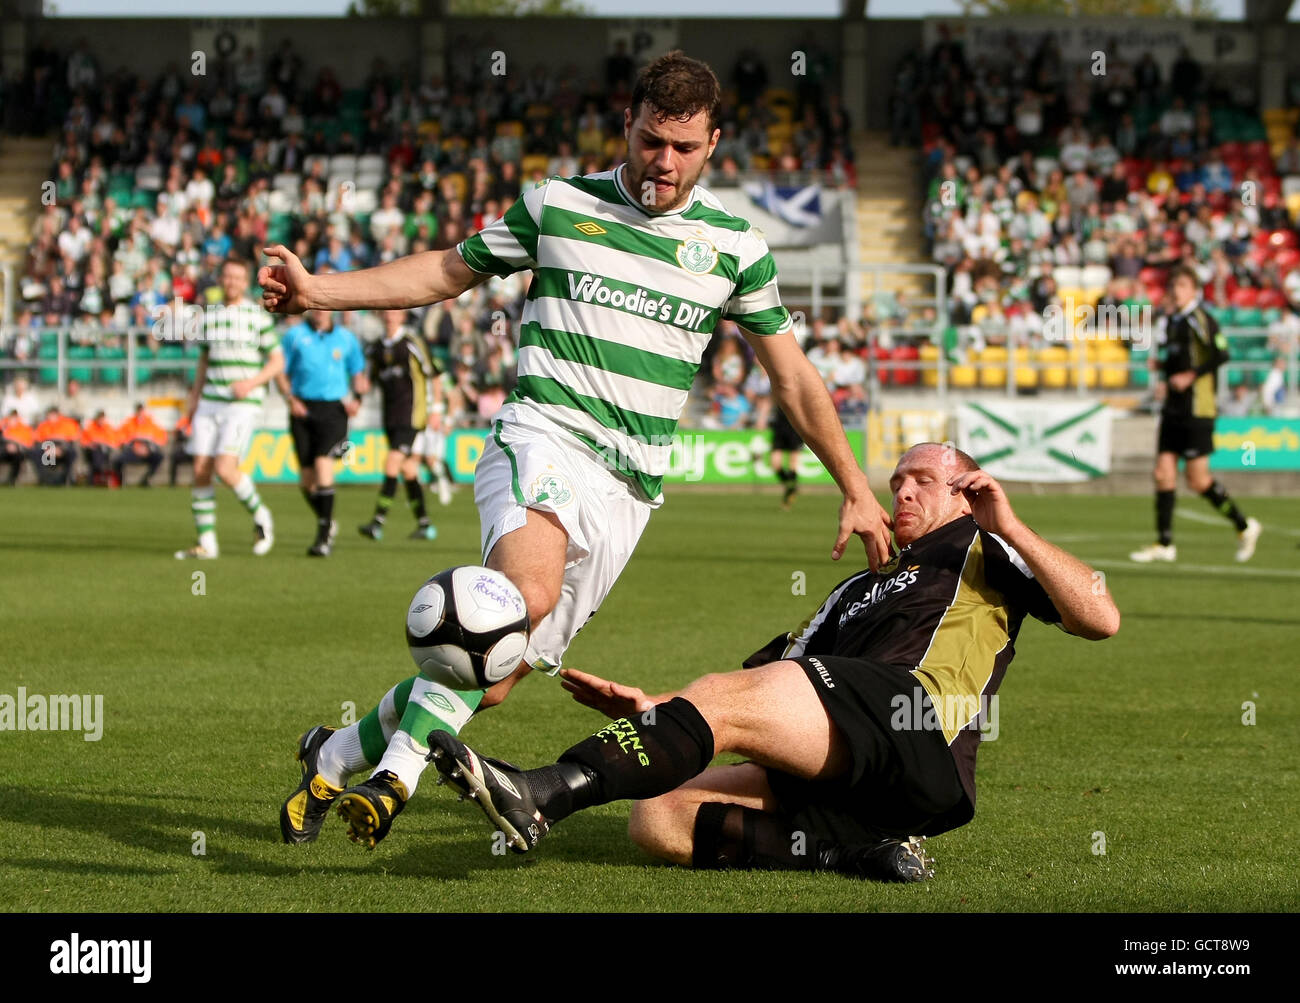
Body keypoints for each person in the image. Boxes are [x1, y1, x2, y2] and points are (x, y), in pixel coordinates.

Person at [264, 50, 891, 848]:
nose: (663, 161)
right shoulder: (559, 204)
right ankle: (396, 781)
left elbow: (794, 377)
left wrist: (854, 482)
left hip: (629, 488)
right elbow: (447, 271)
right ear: (627, 125)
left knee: (488, 680)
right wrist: (322, 289)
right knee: (517, 597)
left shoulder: (734, 247)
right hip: (544, 434)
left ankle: (338, 749)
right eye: (651, 140)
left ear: (714, 144)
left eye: (684, 148)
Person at [425, 443, 1120, 881]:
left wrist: (1011, 525)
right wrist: (658, 711)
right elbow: (757, 698)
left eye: (923, 481)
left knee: (741, 696)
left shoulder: (983, 547)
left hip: (919, 726)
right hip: (851, 755)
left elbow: (1101, 617)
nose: (902, 491)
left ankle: (544, 792)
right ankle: (855, 847)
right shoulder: (856, 586)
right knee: (658, 818)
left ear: (964, 491)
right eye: (897, 479)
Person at [1130, 266, 1260, 564]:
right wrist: (1163, 376)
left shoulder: (1200, 319)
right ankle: (1164, 543)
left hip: (1197, 409)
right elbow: (1173, 361)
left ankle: (1244, 525)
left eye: (1183, 285)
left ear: (1194, 290)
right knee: (1162, 472)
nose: (1176, 290)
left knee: (1198, 480)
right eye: (1174, 284)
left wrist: (1191, 375)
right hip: (1173, 408)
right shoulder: (1173, 322)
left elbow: (1221, 354)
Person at [174, 256, 281, 559]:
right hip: (210, 400)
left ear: (245, 282)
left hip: (242, 402)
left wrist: (251, 383)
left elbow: (277, 361)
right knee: (200, 470)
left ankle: (262, 515)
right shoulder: (210, 317)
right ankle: (207, 544)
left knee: (224, 468)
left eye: (237, 277)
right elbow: (204, 360)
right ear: (221, 280)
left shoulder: (257, 316)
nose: (231, 282)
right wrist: (194, 398)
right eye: (227, 276)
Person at [275, 308, 367, 556]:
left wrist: (358, 398)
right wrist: (290, 399)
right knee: (306, 481)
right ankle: (327, 520)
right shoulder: (294, 336)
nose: (319, 311)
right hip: (302, 409)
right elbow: (280, 372)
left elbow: (358, 372)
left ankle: (323, 537)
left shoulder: (346, 339)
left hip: (333, 410)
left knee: (322, 463)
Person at [358, 309, 440, 542]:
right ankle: (425, 523)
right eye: (388, 311)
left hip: (412, 415)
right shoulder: (375, 348)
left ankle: (377, 522)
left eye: (396, 311)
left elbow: (433, 375)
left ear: (403, 316)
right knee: (408, 470)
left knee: (392, 463)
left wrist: (436, 410)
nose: (391, 315)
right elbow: (368, 381)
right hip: (390, 417)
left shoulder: (412, 343)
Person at [115, 402, 167, 487]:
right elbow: (120, 436)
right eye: (139, 410)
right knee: (117, 460)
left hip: (147, 452)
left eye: (142, 410)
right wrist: (129, 443)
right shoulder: (129, 422)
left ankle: (146, 479)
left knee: (159, 457)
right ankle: (120, 483)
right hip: (133, 452)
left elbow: (161, 437)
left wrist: (150, 446)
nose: (140, 413)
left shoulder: (151, 423)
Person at [33, 405, 81, 485]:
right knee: (35, 453)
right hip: (47, 447)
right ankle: (43, 479)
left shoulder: (67, 424)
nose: (51, 417)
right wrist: (48, 449)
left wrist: (60, 449)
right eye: (50, 414)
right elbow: (37, 440)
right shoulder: (43, 425)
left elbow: (73, 439)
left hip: (63, 448)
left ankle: (68, 479)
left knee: (72, 453)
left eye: (53, 414)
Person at [80, 409, 120, 486]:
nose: (101, 420)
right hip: (92, 452)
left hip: (106, 452)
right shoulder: (90, 427)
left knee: (101, 455)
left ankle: (99, 478)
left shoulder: (109, 428)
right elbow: (83, 442)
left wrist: (103, 442)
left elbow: (114, 443)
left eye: (102, 418)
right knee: (96, 453)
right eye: (99, 418)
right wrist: (90, 444)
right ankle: (97, 478)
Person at [1, 409, 36, 485]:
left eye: (15, 417)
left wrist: (16, 444)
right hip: (4, 450)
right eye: (11, 418)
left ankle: (12, 480)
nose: (12, 420)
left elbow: (28, 445)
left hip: (18, 451)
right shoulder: (4, 428)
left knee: (18, 457)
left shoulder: (24, 429)